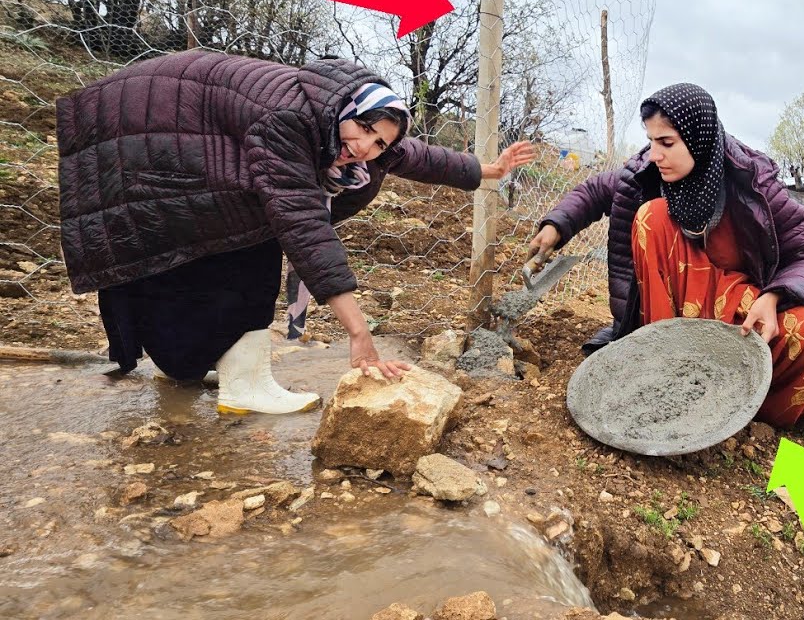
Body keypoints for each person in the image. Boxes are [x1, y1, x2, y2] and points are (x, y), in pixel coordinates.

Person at [56, 49, 534, 414]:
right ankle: (245, 386)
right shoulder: (290, 120)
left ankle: (192, 365)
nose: (364, 148)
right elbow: (304, 227)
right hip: (145, 139)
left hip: (171, 140)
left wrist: (487, 170)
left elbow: (416, 155)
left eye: (379, 141)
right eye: (365, 129)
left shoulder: (339, 118)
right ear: (348, 108)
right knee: (252, 247)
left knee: (206, 257)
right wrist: (359, 332)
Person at [528, 83, 804, 436]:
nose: (655, 154)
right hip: (670, 317)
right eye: (651, 141)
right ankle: (664, 375)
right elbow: (593, 192)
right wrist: (555, 225)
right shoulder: (644, 175)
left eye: (667, 143)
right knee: (653, 216)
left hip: (742, 316)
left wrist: (773, 297)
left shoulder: (753, 183)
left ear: (698, 139)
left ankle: (748, 411)